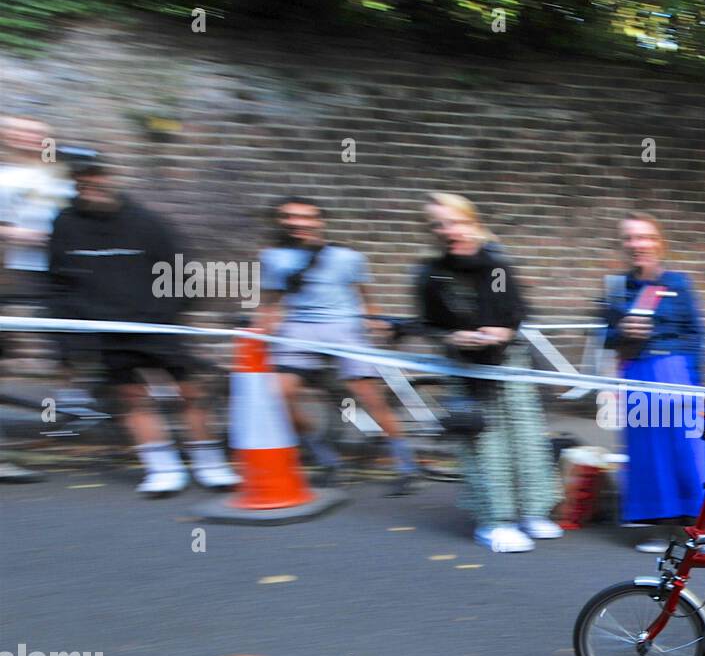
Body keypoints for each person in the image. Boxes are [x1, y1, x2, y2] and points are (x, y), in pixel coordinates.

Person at [47, 162, 240, 495]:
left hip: (158, 324)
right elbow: (60, 280)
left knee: (191, 393)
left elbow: (182, 268)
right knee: (133, 398)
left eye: (97, 179)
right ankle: (162, 467)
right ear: (75, 184)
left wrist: (171, 313)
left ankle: (210, 462)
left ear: (110, 181)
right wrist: (76, 328)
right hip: (107, 329)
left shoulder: (145, 221)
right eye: (83, 182)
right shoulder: (65, 225)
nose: (91, 187)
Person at [417, 192, 562, 552]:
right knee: (483, 446)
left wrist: (504, 331)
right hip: (465, 369)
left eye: (455, 221)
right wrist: (454, 336)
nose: (448, 230)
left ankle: (532, 512)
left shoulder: (495, 264)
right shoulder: (433, 274)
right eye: (438, 224)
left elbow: (515, 310)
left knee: (526, 441)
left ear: (471, 222)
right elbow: (429, 323)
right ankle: (493, 522)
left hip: (508, 366)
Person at [258, 196, 420, 496]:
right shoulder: (273, 257)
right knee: (278, 394)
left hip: (343, 325)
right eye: (290, 217)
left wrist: (373, 323)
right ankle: (325, 459)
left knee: (370, 397)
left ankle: (406, 464)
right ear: (281, 221)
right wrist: (260, 331)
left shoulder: (347, 257)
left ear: (320, 222)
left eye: (306, 217)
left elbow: (366, 296)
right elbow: (269, 301)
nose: (298, 223)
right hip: (298, 328)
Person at [603, 211, 705, 553]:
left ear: (658, 243)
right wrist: (620, 331)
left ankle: (700, 530)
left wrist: (698, 384)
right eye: (630, 238)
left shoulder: (678, 284)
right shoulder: (615, 288)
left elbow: (695, 333)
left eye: (644, 237)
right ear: (623, 245)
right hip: (638, 371)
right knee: (648, 455)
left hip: (677, 372)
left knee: (691, 451)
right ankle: (656, 528)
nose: (637, 244)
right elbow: (604, 336)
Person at [0, 114, 73, 483]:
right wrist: (15, 233)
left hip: (69, 272)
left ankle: (70, 414)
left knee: (72, 341)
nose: (30, 139)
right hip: (18, 273)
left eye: (36, 133)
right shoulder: (4, 178)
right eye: (20, 133)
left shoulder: (63, 175)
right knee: (7, 350)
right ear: (8, 138)